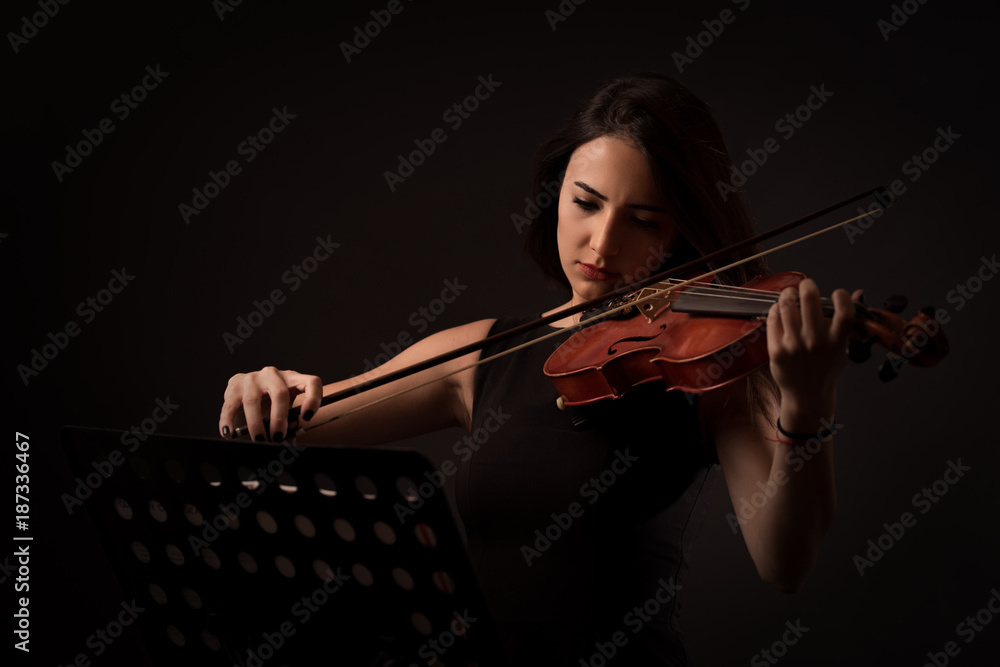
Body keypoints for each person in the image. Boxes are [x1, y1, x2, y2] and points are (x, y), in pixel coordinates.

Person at [219, 72, 858, 665]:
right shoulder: (480, 354)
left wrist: (806, 404)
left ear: (683, 234)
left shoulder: (710, 368)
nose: (603, 243)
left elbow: (785, 563)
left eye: (643, 221)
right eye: (585, 203)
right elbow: (285, 427)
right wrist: (266, 390)